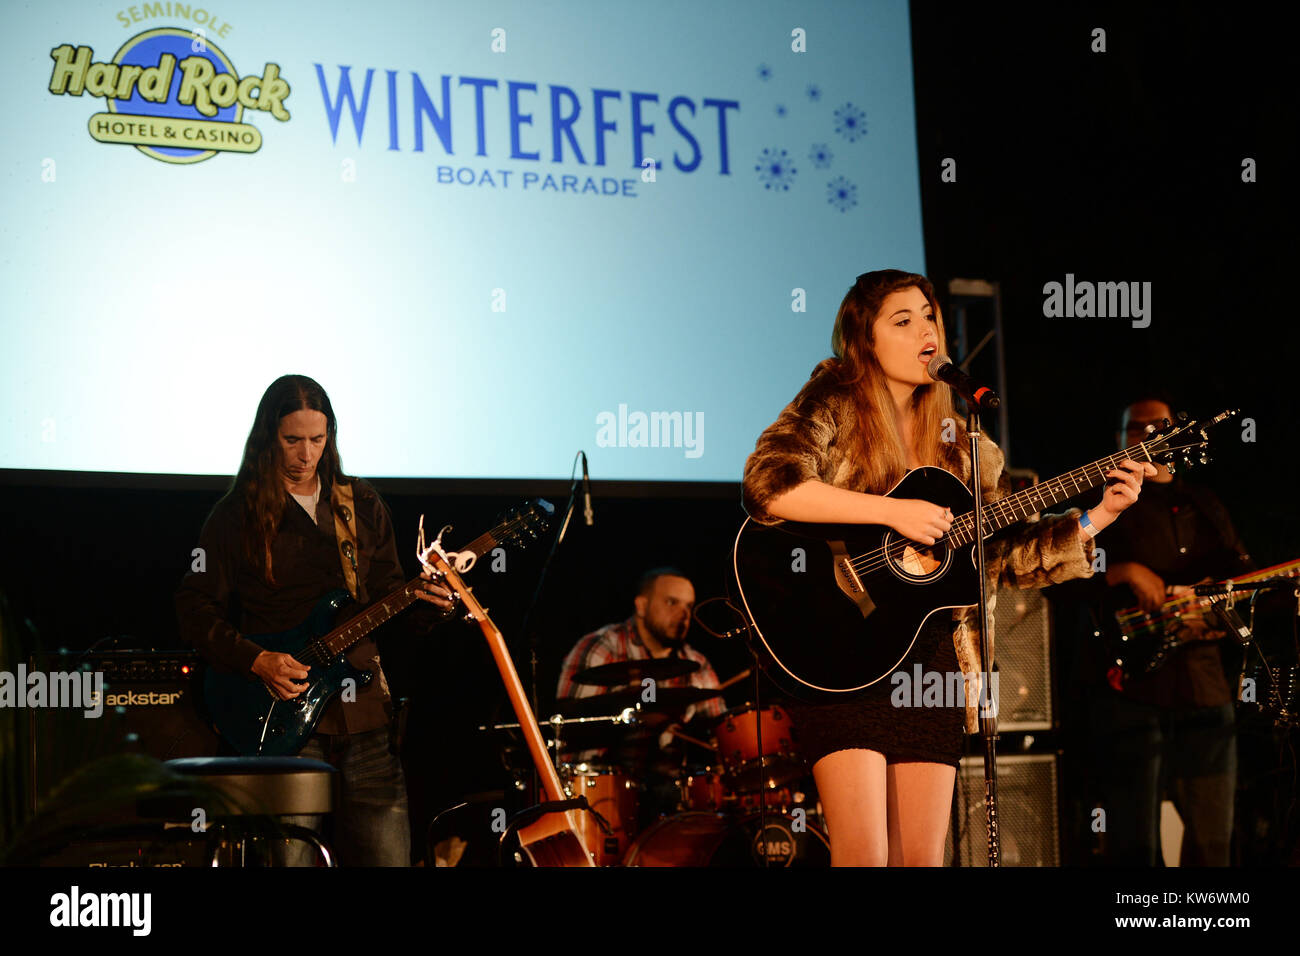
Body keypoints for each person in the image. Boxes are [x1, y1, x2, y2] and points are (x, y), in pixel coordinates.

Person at [741, 269, 1155, 866]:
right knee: (863, 854)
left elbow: (1003, 558)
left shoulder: (966, 444)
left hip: (932, 660)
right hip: (837, 647)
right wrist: (894, 512)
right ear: (866, 341)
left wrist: (1097, 518)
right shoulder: (833, 399)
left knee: (922, 859)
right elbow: (768, 485)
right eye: (902, 321)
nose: (924, 331)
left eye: (929, 317)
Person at [174, 374, 457, 866]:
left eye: (318, 440)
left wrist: (427, 607)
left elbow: (391, 605)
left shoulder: (361, 504)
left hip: (366, 717)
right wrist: (257, 660)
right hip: (281, 726)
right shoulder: (233, 515)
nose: (307, 455)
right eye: (292, 441)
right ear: (268, 438)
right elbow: (194, 608)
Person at [1088, 396, 1252, 866]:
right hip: (1131, 689)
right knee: (1133, 840)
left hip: (1203, 687)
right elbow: (1062, 583)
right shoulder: (1106, 501)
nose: (1144, 438)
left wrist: (1213, 601)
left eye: (1155, 428)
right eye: (1133, 429)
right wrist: (1121, 572)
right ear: (1119, 439)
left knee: (1212, 841)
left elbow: (1245, 575)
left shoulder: (1203, 502)